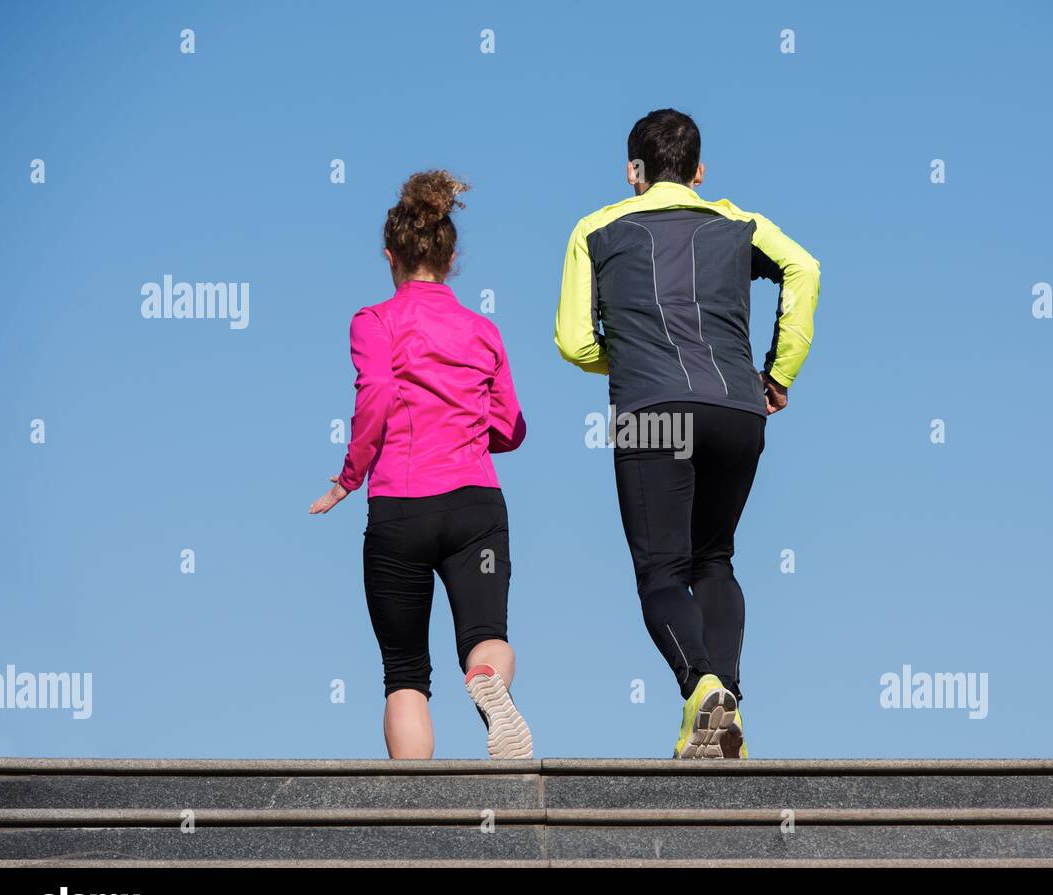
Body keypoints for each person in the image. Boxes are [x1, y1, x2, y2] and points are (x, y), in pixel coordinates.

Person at [554, 109, 820, 759]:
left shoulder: (595, 229)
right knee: (716, 559)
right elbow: (805, 269)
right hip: (737, 409)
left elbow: (572, 340)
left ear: (632, 172)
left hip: (653, 410)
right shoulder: (738, 223)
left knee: (661, 573)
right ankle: (724, 704)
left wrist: (629, 353)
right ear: (699, 172)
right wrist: (778, 373)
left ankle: (699, 686)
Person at [310, 170, 531, 761]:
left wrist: (348, 477)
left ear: (391, 258)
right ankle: (490, 688)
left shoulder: (373, 321)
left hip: (399, 510)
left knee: (405, 671)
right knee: (487, 638)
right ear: (451, 258)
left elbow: (377, 394)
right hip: (475, 508)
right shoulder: (483, 330)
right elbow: (510, 425)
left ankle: (416, 819)